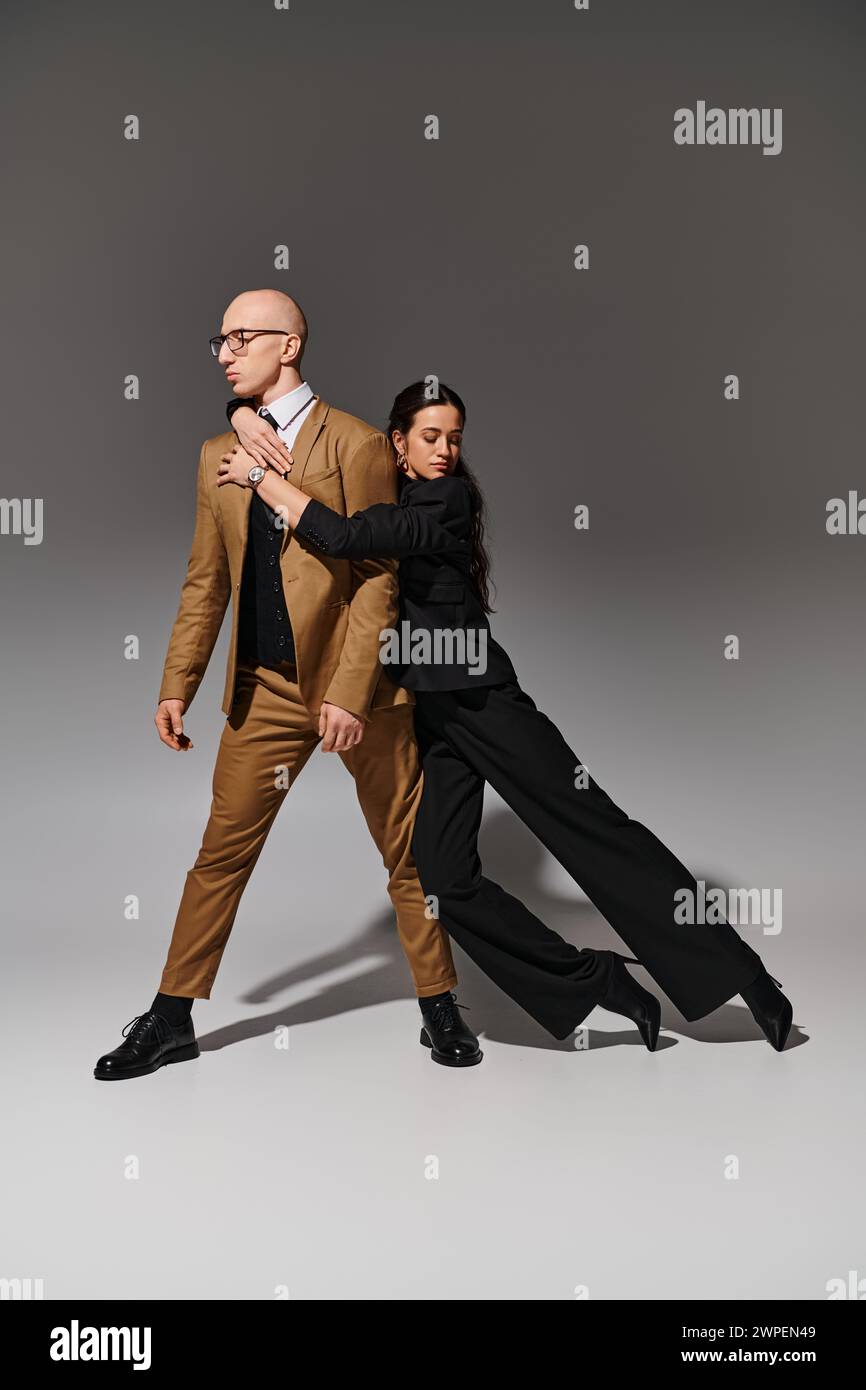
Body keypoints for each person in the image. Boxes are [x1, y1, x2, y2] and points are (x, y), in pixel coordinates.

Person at [218, 379, 795, 1053]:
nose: (445, 450)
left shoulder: (450, 499)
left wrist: (259, 475)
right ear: (397, 443)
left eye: (455, 438)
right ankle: (592, 980)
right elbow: (286, 436)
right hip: (430, 718)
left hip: (487, 704)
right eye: (430, 437)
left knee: (596, 831)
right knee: (443, 879)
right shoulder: (384, 486)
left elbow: (343, 537)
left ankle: (747, 978)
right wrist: (236, 412)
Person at [93, 295, 485, 1082]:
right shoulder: (216, 454)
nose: (225, 352)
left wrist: (348, 688)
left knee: (406, 852)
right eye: (221, 340)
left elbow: (380, 575)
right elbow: (207, 582)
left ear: (291, 343)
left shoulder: (360, 442)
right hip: (264, 688)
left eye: (242, 338)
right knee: (219, 855)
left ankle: (440, 1002)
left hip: (358, 692)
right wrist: (180, 683)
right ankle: (170, 1018)